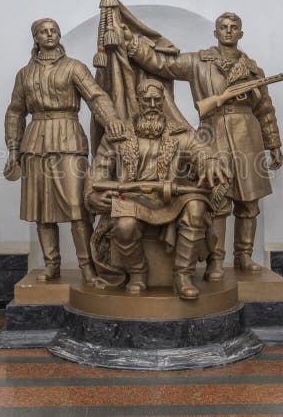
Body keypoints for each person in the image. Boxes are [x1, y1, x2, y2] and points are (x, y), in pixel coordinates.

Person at [122, 12, 282, 280]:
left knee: (249, 203)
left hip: (248, 137)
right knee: (217, 201)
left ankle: (244, 256)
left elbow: (265, 110)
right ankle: (215, 261)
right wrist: (133, 43)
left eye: (234, 27)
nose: (228, 31)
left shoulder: (254, 71)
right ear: (215, 32)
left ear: (241, 33)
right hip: (212, 134)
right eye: (223, 27)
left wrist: (273, 143)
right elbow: (162, 64)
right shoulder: (198, 61)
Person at [4, 18, 124, 283]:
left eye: (54, 31)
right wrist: (13, 148)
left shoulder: (74, 67)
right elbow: (15, 112)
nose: (50, 35)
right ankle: (51, 265)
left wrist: (112, 120)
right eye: (43, 32)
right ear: (36, 38)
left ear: (59, 35)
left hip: (68, 139)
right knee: (41, 211)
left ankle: (88, 268)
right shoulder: (24, 74)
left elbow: (96, 97)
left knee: (77, 208)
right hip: (34, 144)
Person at [85, 80, 228, 299]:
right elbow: (98, 171)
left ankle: (183, 276)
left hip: (171, 198)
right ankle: (138, 272)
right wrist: (92, 196)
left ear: (163, 101)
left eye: (157, 100)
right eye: (147, 100)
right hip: (131, 197)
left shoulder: (181, 132)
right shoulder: (118, 135)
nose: (152, 105)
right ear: (137, 101)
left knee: (196, 208)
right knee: (125, 226)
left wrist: (209, 160)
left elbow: (201, 150)